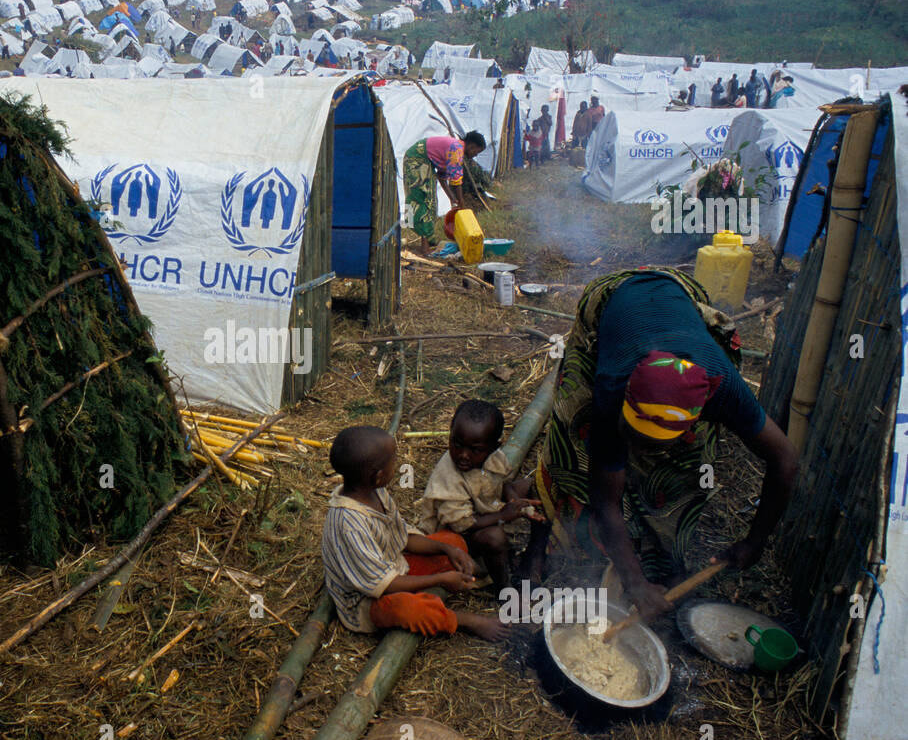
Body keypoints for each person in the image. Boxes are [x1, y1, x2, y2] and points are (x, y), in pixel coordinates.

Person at [523, 269, 798, 619]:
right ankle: (539, 541)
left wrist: (756, 541)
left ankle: (667, 560)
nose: (635, 452)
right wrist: (633, 583)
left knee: (685, 472)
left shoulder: (724, 391)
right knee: (571, 438)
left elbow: (786, 459)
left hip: (680, 299)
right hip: (613, 298)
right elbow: (605, 499)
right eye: (632, 437)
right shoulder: (613, 385)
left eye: (649, 446)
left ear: (690, 423)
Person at [322, 425, 510, 641]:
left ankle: (441, 580)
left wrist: (446, 548)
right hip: (368, 602)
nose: (398, 464)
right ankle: (460, 620)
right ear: (378, 475)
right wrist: (440, 579)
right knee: (409, 610)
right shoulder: (349, 524)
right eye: (393, 461)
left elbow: (403, 540)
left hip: (395, 566)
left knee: (454, 541)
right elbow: (385, 585)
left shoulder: (375, 492)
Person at [418, 401, 543, 591]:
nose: (463, 455)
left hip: (485, 512)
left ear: (494, 447)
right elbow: (462, 525)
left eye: (475, 450)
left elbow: (502, 483)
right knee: (494, 537)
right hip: (456, 542)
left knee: (534, 487)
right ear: (450, 436)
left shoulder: (494, 456)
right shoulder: (448, 477)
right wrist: (503, 516)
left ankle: (535, 554)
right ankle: (503, 589)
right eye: (456, 444)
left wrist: (513, 500)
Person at [401, 131, 486, 250]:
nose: (475, 155)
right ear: (472, 146)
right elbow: (456, 181)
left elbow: (442, 178)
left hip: (423, 160)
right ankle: (425, 245)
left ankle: (428, 240)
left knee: (430, 201)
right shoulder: (456, 149)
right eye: (476, 152)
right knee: (424, 199)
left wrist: (452, 199)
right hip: (417, 159)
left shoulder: (455, 150)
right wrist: (462, 205)